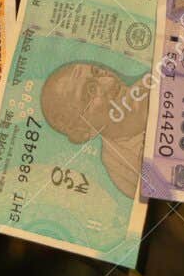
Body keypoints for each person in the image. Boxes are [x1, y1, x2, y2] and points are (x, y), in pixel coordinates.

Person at [39, 61, 147, 199]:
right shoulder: (119, 168)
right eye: (91, 90)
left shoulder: (157, 82)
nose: (110, 81)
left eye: (97, 72)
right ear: (81, 133)